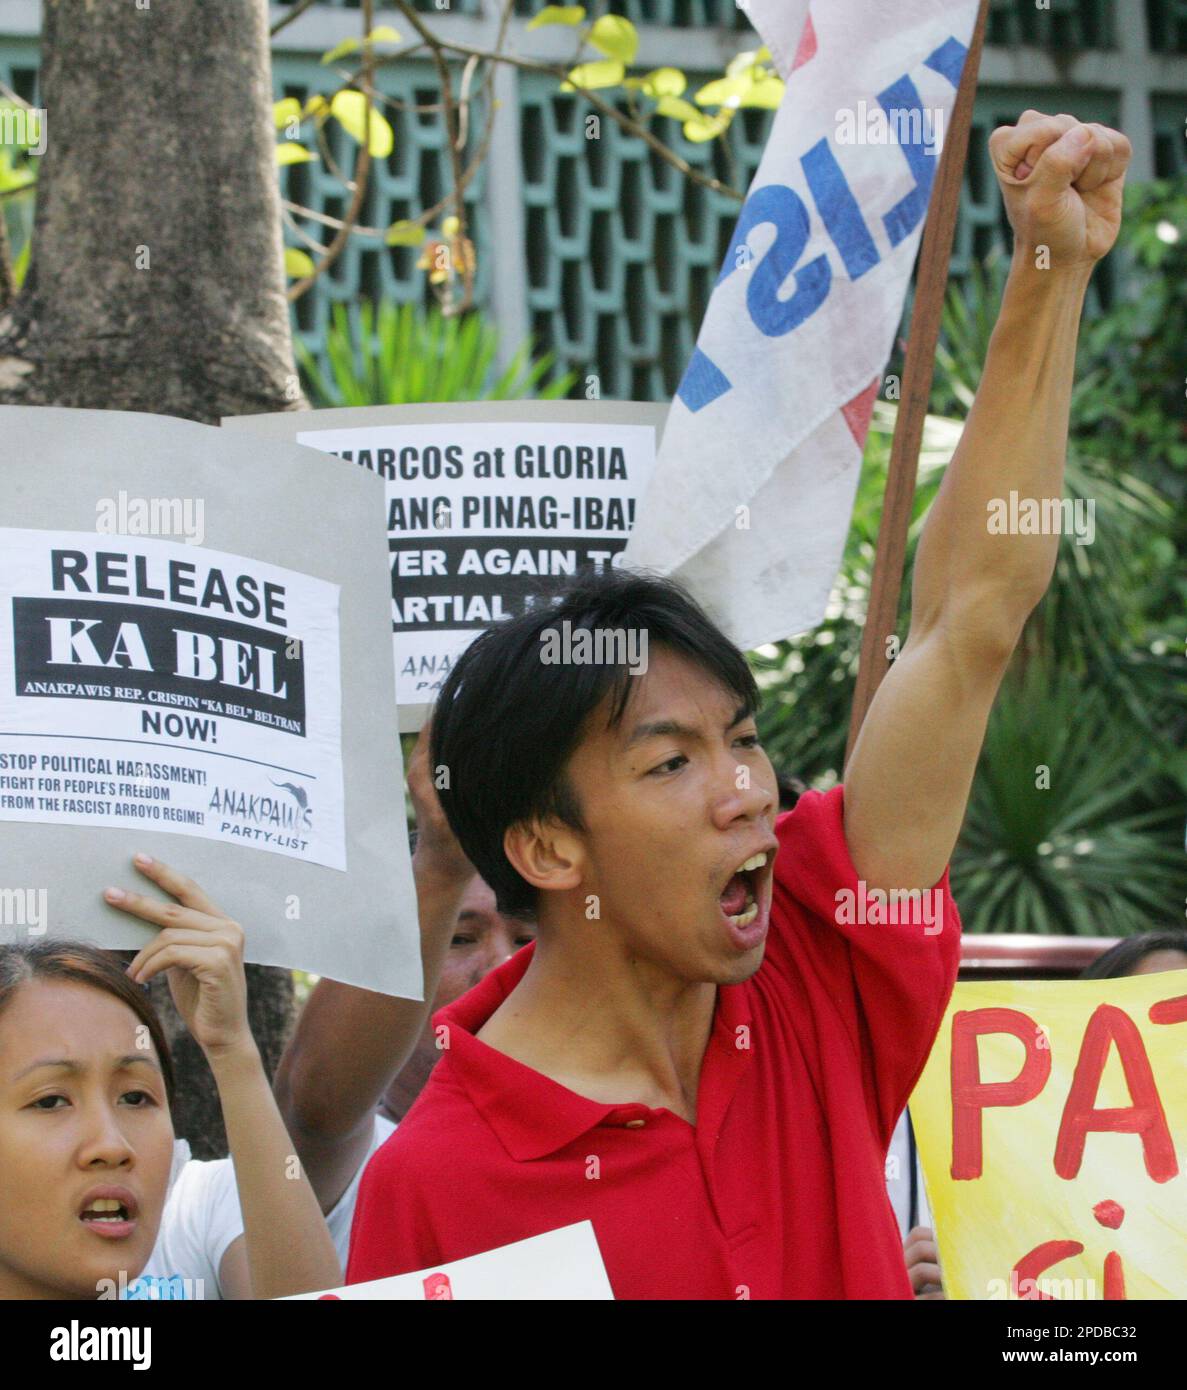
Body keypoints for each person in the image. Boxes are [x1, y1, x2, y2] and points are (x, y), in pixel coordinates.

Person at [344, 109, 1130, 1299]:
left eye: (745, 739)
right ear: (548, 844)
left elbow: (965, 626)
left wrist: (1048, 267)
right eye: (669, 762)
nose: (747, 791)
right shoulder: (438, 1183)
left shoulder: (819, 961)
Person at [0, 855, 341, 1300]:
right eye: (50, 1101)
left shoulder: (204, 1203)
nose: (112, 1146)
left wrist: (232, 1050)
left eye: (136, 1098)